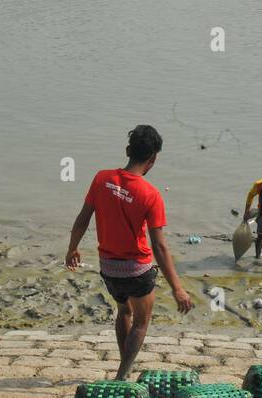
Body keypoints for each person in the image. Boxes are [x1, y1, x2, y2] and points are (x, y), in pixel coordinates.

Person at [65, 124, 193, 380]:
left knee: (124, 311)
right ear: (153, 158)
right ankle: (122, 375)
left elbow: (82, 219)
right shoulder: (151, 195)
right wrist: (178, 288)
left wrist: (72, 249)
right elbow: (159, 246)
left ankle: (124, 367)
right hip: (137, 270)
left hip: (108, 268)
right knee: (141, 323)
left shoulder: (102, 179)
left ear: (128, 150)